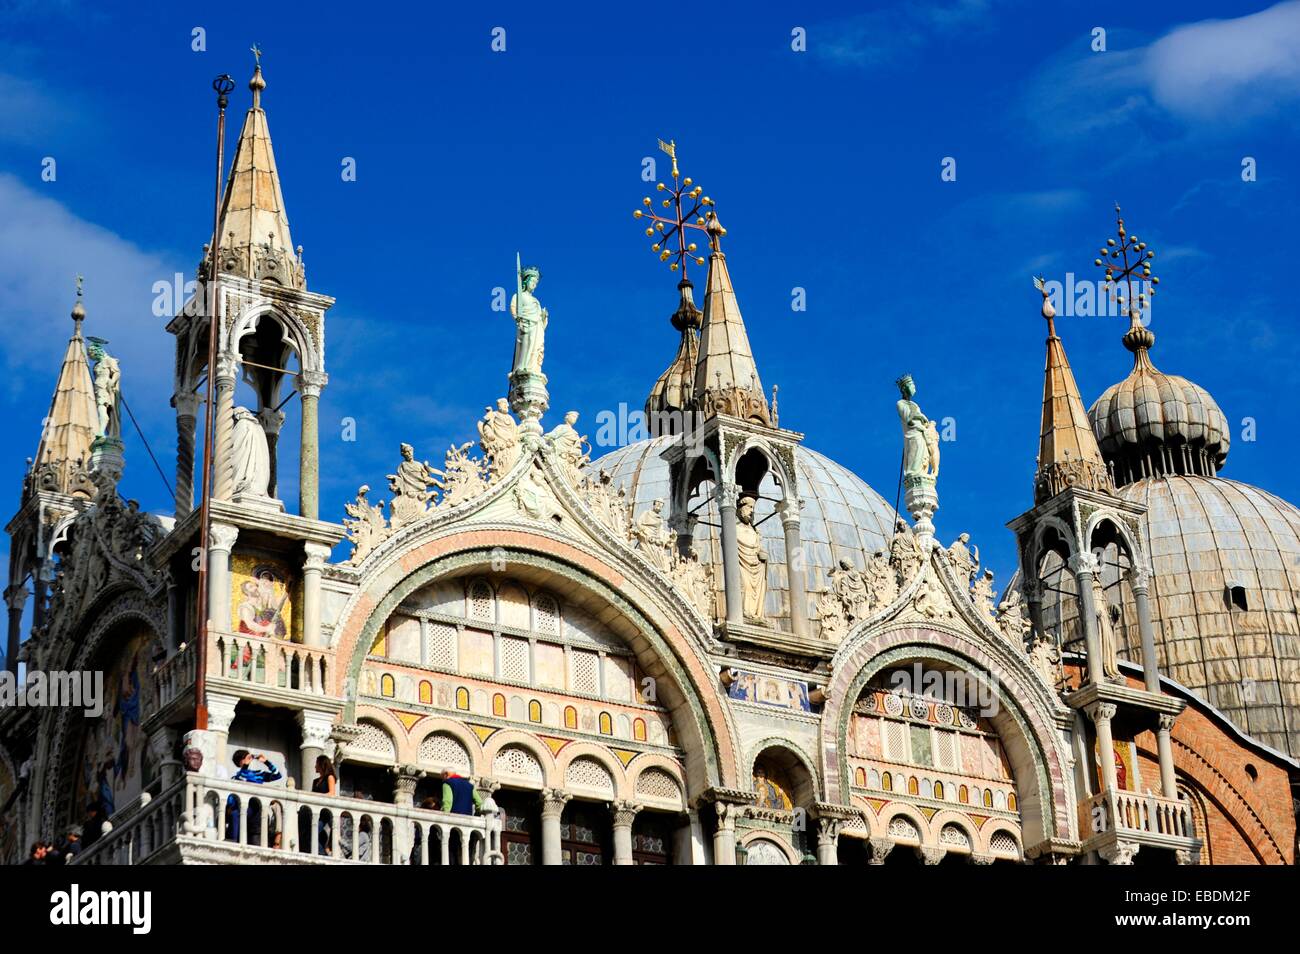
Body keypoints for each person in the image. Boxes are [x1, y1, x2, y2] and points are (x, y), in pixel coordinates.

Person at [226, 750, 281, 843]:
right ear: (240, 762)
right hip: (242, 810)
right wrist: (245, 766)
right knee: (235, 815)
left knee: (255, 841)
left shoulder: (258, 773)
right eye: (246, 758)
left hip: (256, 811)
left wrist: (266, 762)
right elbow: (242, 777)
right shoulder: (236, 777)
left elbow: (277, 775)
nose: (249, 759)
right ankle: (233, 841)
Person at [312, 755, 337, 855]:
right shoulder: (315, 782)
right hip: (316, 811)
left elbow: (331, 793)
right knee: (315, 834)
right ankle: (324, 853)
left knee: (314, 833)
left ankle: (323, 856)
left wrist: (318, 797)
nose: (315, 766)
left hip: (325, 812)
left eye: (316, 763)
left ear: (322, 764)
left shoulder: (330, 777)